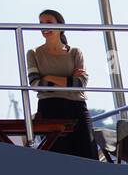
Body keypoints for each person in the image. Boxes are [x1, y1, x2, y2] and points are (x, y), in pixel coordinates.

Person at [27, 10, 98, 159]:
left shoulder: (75, 52)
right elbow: (35, 84)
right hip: (50, 108)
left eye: (48, 23)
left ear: (60, 25)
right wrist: (67, 81)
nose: (44, 27)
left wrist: (49, 77)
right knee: (58, 158)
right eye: (40, 23)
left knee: (89, 156)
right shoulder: (33, 53)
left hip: (77, 107)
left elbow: (79, 84)